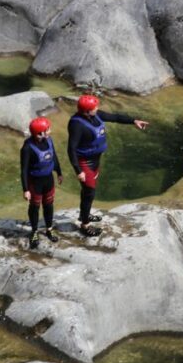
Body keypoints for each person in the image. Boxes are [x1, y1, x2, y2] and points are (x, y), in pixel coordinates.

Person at [67, 94, 148, 236]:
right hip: (85, 162)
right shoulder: (77, 125)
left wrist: (133, 121)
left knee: (87, 192)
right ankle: (85, 226)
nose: (97, 108)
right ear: (86, 111)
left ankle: (83, 214)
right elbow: (71, 149)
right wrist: (78, 171)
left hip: (95, 160)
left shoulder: (96, 115)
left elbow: (115, 117)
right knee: (89, 192)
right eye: (94, 107)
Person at [21, 117, 63, 248]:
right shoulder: (27, 148)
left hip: (48, 180)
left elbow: (53, 156)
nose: (50, 131)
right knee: (35, 207)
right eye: (47, 129)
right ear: (39, 133)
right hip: (35, 183)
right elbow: (24, 170)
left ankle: (49, 229)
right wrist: (25, 189)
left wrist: (59, 172)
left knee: (49, 205)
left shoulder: (49, 140)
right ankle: (34, 231)